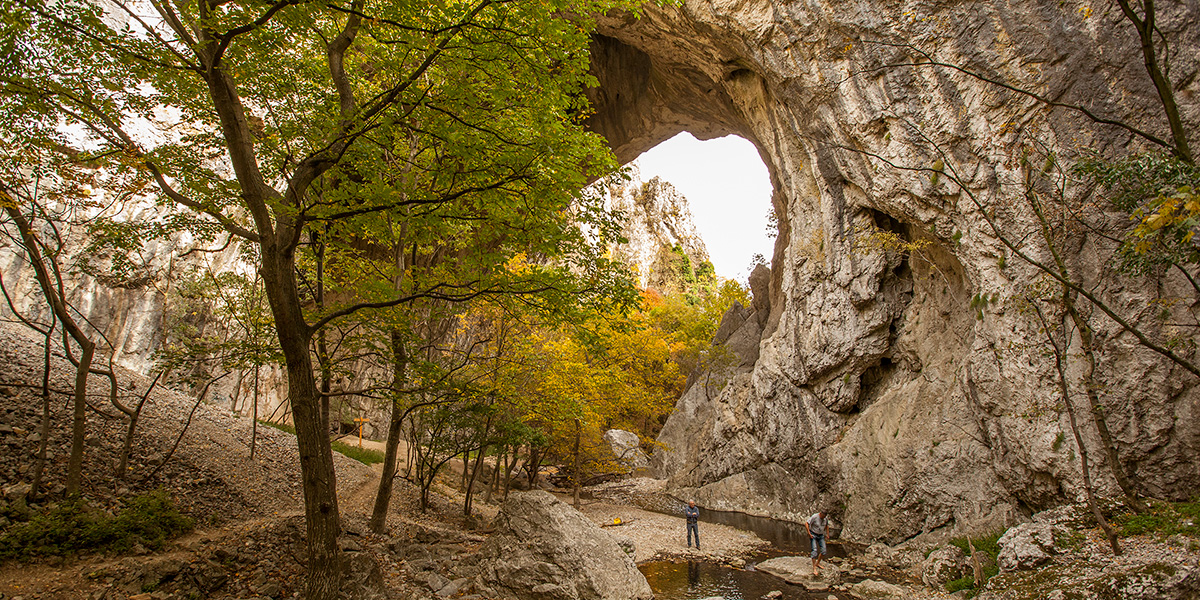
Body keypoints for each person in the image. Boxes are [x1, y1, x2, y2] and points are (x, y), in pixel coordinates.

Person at [805, 510, 828, 576]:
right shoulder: (815, 517)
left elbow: (827, 525)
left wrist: (827, 534)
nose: (823, 518)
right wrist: (809, 533)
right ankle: (814, 568)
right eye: (822, 516)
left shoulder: (825, 519)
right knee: (814, 550)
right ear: (820, 514)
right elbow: (806, 523)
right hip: (813, 534)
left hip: (821, 535)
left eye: (824, 517)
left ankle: (817, 563)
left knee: (824, 551)